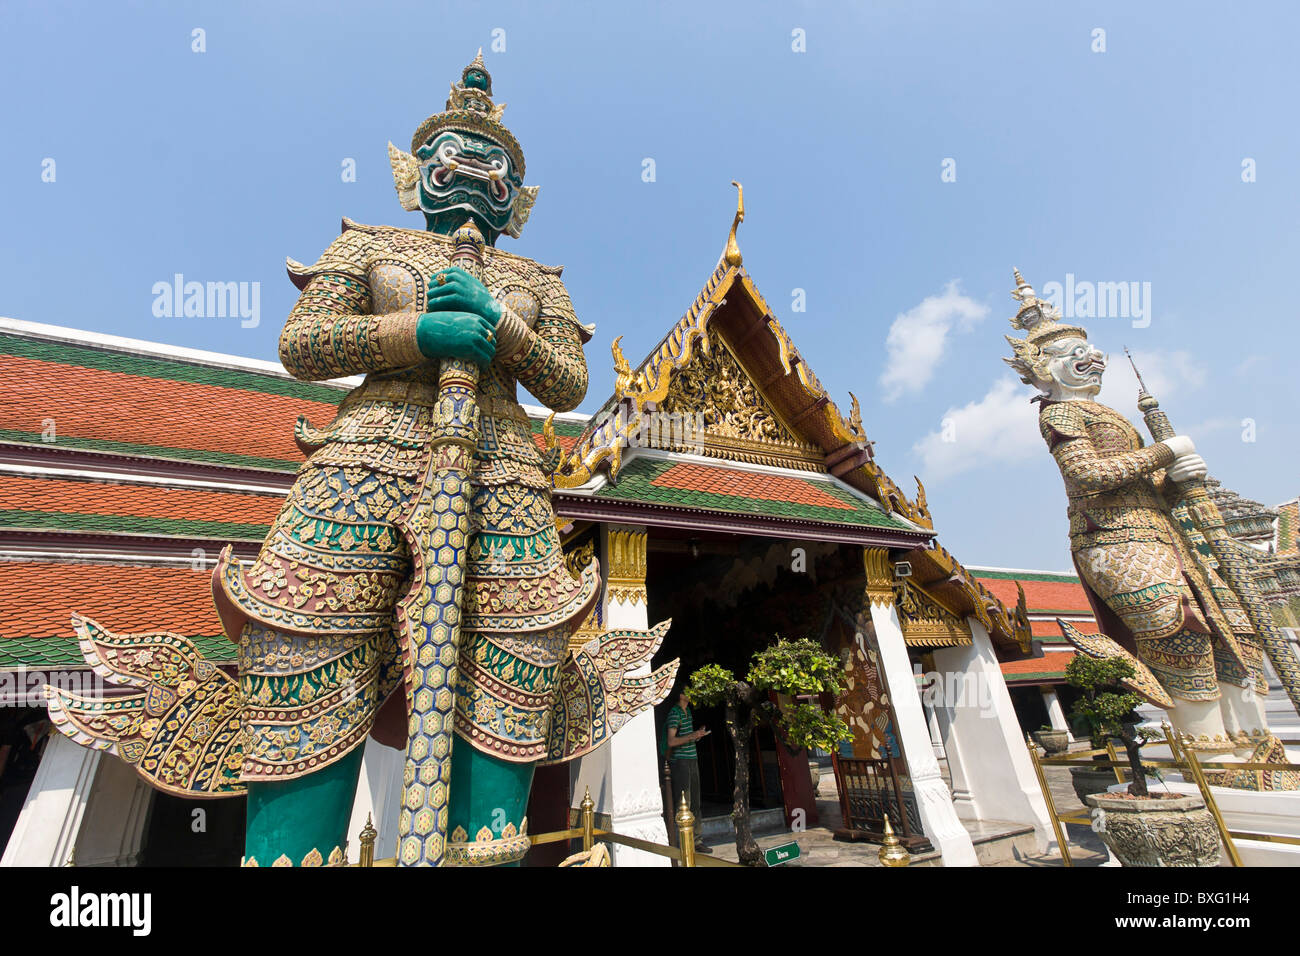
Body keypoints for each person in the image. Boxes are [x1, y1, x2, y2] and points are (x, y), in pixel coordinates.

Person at [665, 689, 710, 850]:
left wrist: (696, 735)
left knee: (696, 802)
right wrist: (691, 736)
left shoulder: (688, 711)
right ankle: (686, 841)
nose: (691, 694)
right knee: (685, 802)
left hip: (692, 759)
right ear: (681, 695)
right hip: (681, 761)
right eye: (688, 691)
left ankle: (697, 840)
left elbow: (686, 737)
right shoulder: (675, 713)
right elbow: (671, 741)